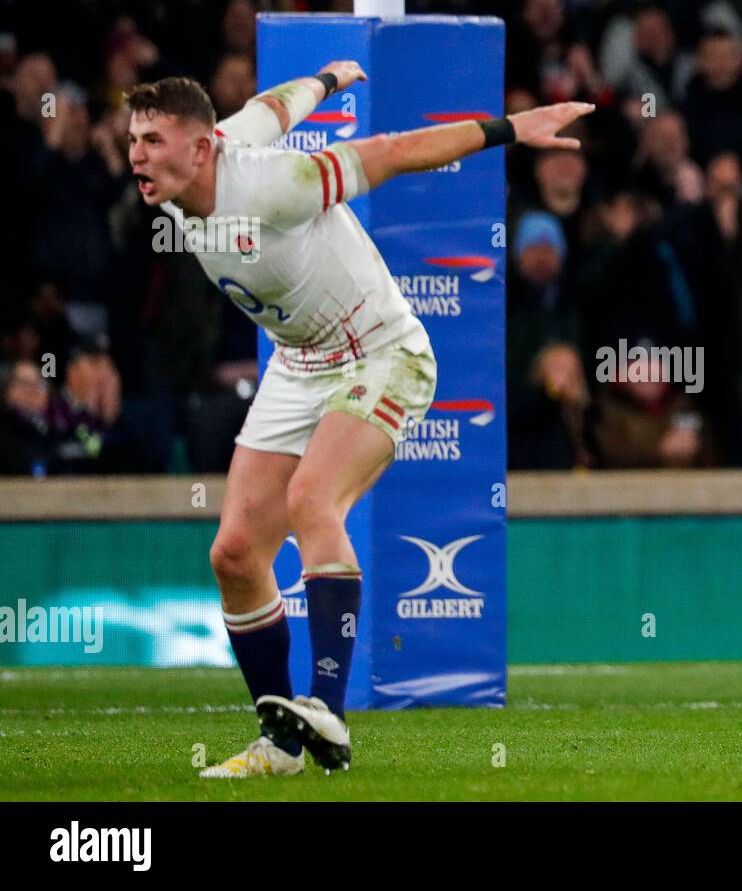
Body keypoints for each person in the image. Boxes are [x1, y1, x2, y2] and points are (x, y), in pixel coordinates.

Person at [127, 60, 592, 777]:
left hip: (380, 352)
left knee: (314, 497)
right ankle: (279, 745)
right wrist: (328, 78)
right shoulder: (193, 168)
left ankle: (330, 713)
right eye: (134, 138)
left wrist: (511, 129)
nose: (137, 153)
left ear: (198, 148)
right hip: (299, 362)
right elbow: (272, 105)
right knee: (235, 555)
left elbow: (397, 151)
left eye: (153, 139)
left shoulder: (277, 185)